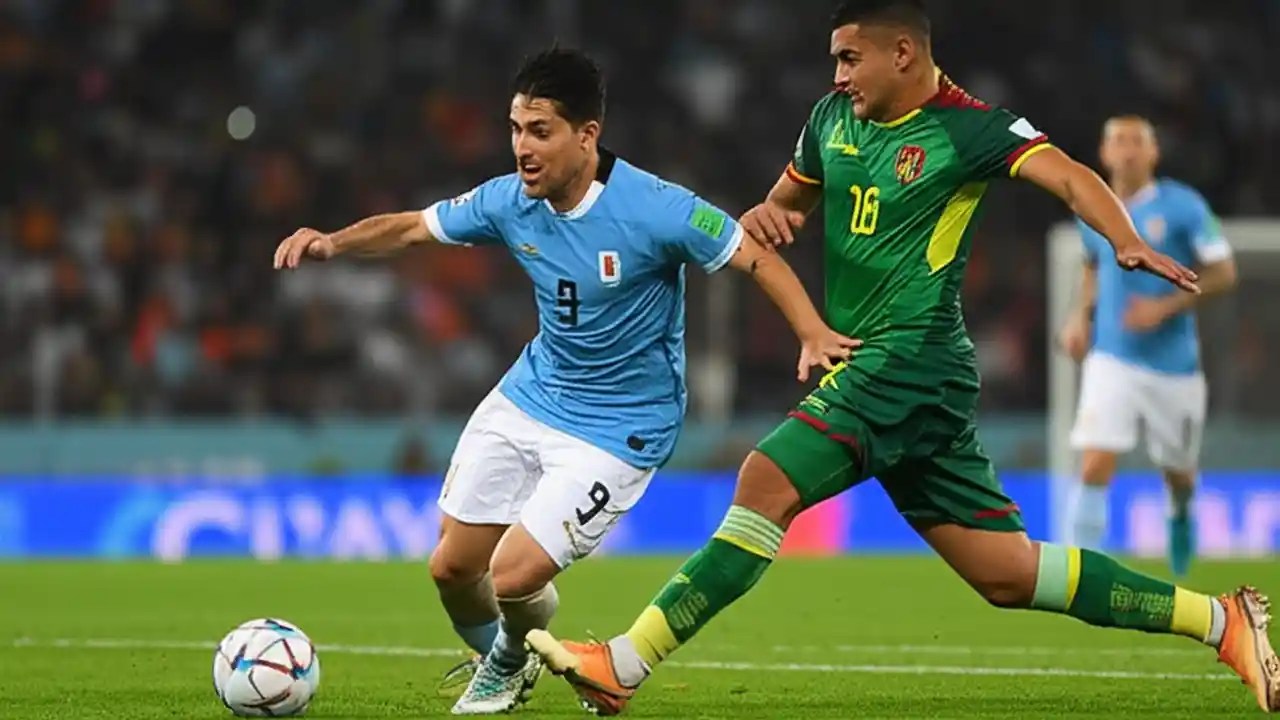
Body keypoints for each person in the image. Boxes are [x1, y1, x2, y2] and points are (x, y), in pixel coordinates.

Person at [525, 2, 1278, 715]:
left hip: (905, 359)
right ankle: (1221, 620)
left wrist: (1125, 238)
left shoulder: (970, 129)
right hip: (902, 373)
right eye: (835, 59)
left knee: (765, 481)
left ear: (903, 52)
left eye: (850, 58)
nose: (837, 76)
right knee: (1006, 573)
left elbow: (1074, 177)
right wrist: (770, 214)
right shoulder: (828, 121)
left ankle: (624, 664)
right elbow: (788, 205)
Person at [272, 48, 853, 716]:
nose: (522, 147)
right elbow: (411, 229)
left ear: (587, 135)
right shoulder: (509, 201)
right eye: (516, 129)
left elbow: (754, 258)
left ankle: (508, 661)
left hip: (621, 425)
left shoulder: (656, 209)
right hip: (533, 394)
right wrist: (332, 243)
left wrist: (810, 330)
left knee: (512, 575)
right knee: (452, 571)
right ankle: (508, 655)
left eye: (539, 131)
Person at [1060, 115, 1237, 577]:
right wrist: (1080, 316)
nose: (1128, 150)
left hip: (1173, 366)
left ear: (1154, 152)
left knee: (1178, 474)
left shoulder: (1184, 207)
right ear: (1104, 152)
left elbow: (1223, 272)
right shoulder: (1092, 207)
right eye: (1118, 140)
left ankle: (1179, 515)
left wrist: (1163, 308)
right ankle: (1086, 570)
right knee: (1096, 458)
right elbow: (1092, 266)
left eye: (1137, 141)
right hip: (1112, 357)